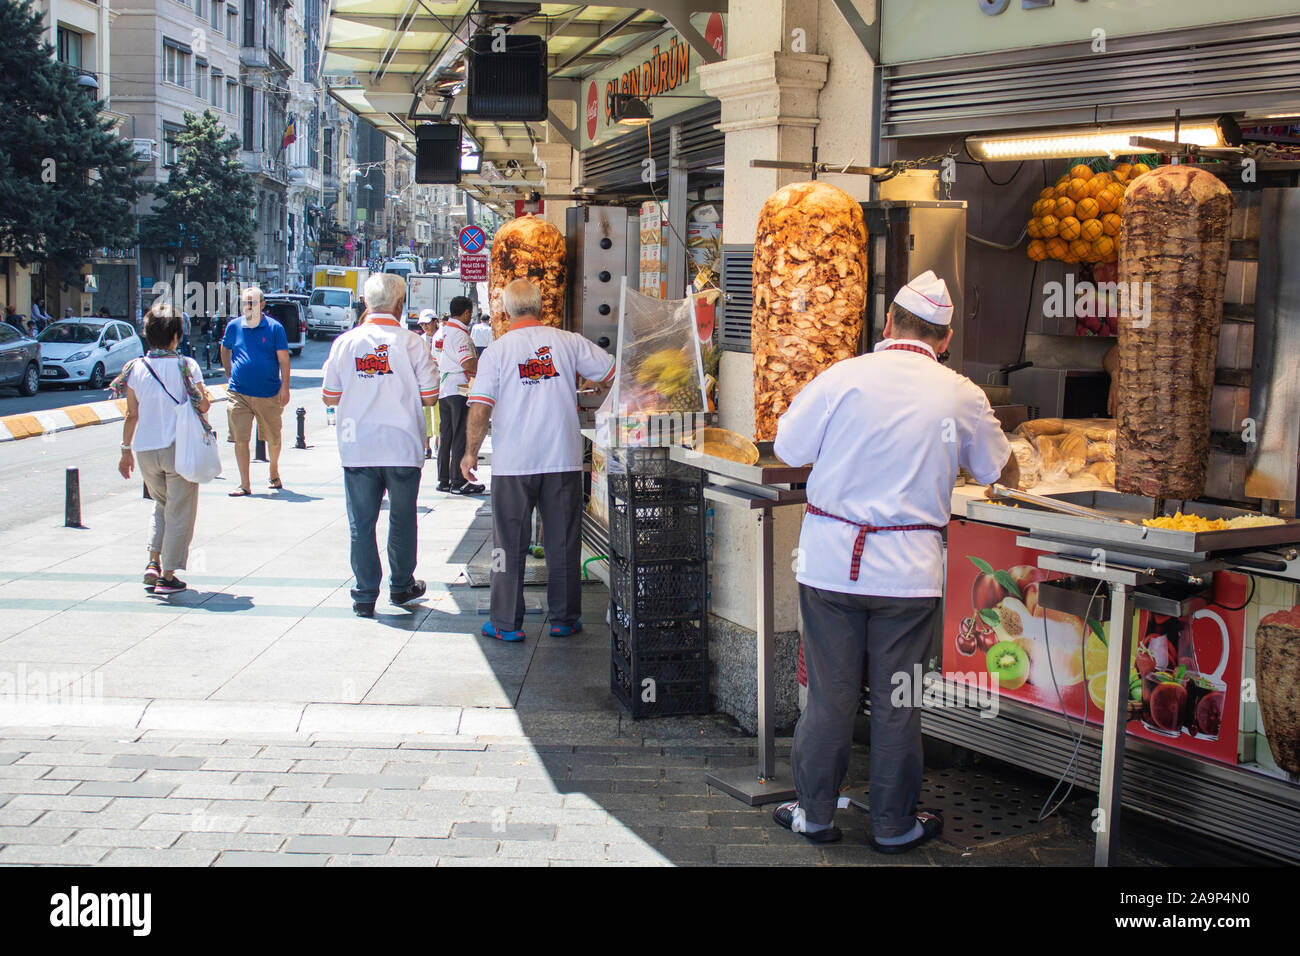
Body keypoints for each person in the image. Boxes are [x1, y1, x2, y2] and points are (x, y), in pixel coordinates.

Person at [769, 271, 1019, 852]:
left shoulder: (843, 376)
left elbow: (787, 447)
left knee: (830, 696)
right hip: (907, 576)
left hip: (831, 565)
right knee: (898, 700)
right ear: (946, 336)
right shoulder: (960, 392)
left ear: (887, 324)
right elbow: (999, 473)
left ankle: (814, 815)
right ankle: (893, 825)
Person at [462, 279, 616, 643]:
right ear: (541, 307)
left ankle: (505, 623)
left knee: (506, 546)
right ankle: (564, 618)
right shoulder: (567, 342)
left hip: (513, 463)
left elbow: (481, 407)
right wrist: (594, 387)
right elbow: (612, 372)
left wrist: (470, 452)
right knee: (563, 541)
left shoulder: (496, 352)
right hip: (561, 457)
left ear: (505, 311)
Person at [321, 272, 438, 618]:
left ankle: (364, 593)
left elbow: (329, 395)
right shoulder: (412, 342)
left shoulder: (345, 342)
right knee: (403, 519)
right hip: (402, 445)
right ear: (400, 305)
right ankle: (401, 586)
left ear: (365, 303)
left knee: (361, 522)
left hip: (358, 447)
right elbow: (431, 395)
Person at [112, 304, 214, 596]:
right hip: (177, 449)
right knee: (180, 511)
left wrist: (125, 450)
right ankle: (167, 576)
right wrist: (203, 394)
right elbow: (203, 404)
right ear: (176, 336)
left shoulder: (134, 369)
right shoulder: (187, 366)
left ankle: (151, 562)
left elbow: (131, 414)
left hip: (145, 450)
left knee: (161, 505)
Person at [221, 286, 291, 496]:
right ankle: (244, 484)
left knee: (273, 437)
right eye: (244, 303)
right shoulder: (233, 326)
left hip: (268, 392)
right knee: (241, 438)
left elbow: (283, 360)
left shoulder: (274, 328)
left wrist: (285, 387)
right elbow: (225, 349)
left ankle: (273, 472)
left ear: (262, 305)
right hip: (239, 392)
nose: (247, 307)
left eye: (251, 303)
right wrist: (228, 372)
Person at [437, 296, 484, 495]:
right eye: (470, 313)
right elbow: (468, 363)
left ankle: (444, 479)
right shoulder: (460, 335)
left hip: (444, 389)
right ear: (466, 312)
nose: (470, 316)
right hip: (459, 389)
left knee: (446, 435)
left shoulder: (442, 332)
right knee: (460, 435)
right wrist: (486, 366)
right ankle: (459, 481)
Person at [417, 309, 440, 460]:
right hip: (424, 382)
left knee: (439, 415)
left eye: (427, 323)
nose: (425, 326)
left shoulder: (442, 337)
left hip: (440, 381)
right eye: (422, 324)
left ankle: (438, 443)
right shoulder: (420, 340)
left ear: (435, 322)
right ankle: (427, 446)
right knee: (425, 414)